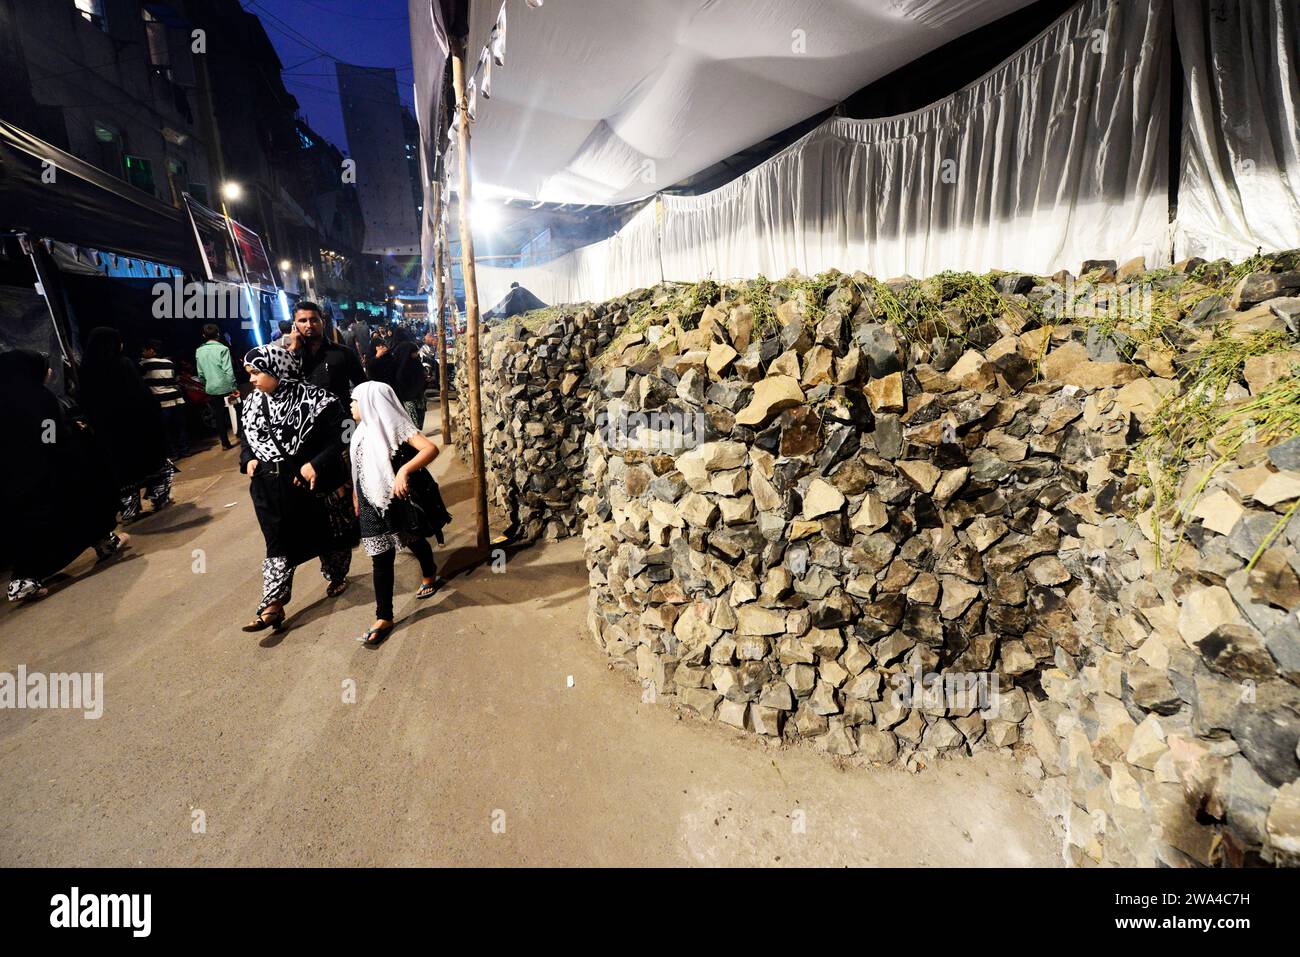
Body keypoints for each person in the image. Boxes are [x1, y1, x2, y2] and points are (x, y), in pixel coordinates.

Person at [239, 343, 358, 631]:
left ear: (278, 369)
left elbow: (345, 432)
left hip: (308, 482)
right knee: (277, 541)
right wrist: (248, 459)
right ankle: (273, 605)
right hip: (268, 485)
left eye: (257, 372)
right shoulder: (252, 402)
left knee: (327, 534)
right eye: (249, 373)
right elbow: (246, 437)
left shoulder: (319, 400)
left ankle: (336, 574)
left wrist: (316, 463)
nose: (252, 379)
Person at [1, 350, 127, 601]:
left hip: (12, 483)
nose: (49, 372)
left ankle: (23, 578)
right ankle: (102, 541)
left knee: (29, 527)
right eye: (45, 367)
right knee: (81, 502)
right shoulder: (38, 397)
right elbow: (50, 437)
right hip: (47, 473)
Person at [349, 381, 450, 645]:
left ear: (370, 402)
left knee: (411, 540)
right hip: (371, 502)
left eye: (355, 400)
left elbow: (430, 448)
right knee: (380, 558)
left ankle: (429, 572)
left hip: (395, 499)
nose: (351, 405)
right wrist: (356, 495)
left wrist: (404, 471)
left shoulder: (392, 425)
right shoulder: (361, 432)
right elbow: (358, 468)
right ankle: (384, 616)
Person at [79, 327, 174, 521]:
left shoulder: (86, 369)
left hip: (109, 432)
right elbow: (140, 394)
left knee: (123, 471)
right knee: (153, 462)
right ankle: (158, 496)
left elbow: (87, 402)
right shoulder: (122, 364)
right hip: (136, 426)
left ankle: (130, 508)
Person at [289, 301, 365, 405]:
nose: (309, 325)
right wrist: (293, 347)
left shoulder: (344, 353)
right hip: (305, 419)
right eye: (303, 321)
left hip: (342, 418)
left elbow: (363, 387)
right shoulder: (290, 356)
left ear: (323, 322)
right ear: (295, 325)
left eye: (314, 320)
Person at [140, 339, 190, 459]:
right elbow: (175, 379)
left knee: (165, 429)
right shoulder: (169, 363)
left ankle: (173, 453)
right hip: (176, 398)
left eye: (144, 350)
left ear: (151, 350)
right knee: (180, 427)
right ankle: (184, 450)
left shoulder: (143, 365)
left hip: (161, 401)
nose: (142, 353)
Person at [195, 324, 239, 449]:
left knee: (218, 415)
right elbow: (228, 370)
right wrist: (233, 387)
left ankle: (225, 443)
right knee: (238, 409)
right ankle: (243, 435)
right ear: (218, 334)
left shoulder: (199, 351)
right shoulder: (223, 349)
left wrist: (206, 384)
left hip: (212, 388)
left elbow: (200, 373)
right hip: (227, 386)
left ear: (204, 336)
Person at [389, 341, 428, 428]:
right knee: (412, 420)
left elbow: (421, 375)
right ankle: (415, 434)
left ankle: (418, 432)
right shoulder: (397, 365)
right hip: (406, 397)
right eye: (414, 352)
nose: (416, 353)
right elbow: (397, 380)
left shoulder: (416, 362)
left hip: (418, 394)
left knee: (420, 414)